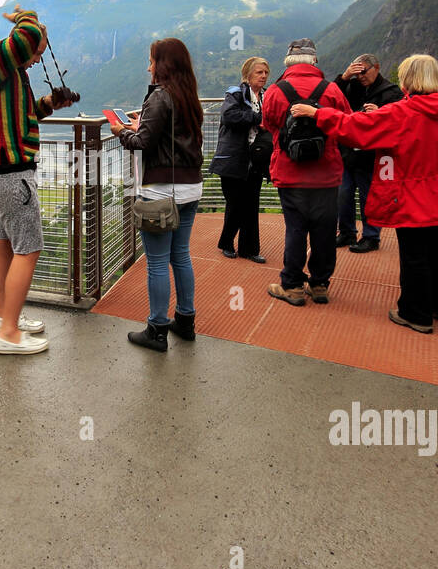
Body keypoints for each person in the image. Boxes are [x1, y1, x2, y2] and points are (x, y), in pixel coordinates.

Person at [295, 54, 438, 333]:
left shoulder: (402, 112)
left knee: (415, 254)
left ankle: (415, 313)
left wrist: (317, 113)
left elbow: (355, 128)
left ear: (409, 80)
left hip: (415, 195)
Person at [0, 6, 73, 355]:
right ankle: (9, 334)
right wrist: (26, 16)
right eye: (37, 51)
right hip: (11, 172)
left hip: (2, 171)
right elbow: (28, 34)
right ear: (24, 41)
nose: (38, 59)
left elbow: (23, 112)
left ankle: (5, 317)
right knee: (29, 248)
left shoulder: (11, 71)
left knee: (3, 244)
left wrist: (49, 103)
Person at [109, 38, 204, 351]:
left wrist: (122, 131)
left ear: (162, 64)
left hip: (161, 191)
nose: (148, 67)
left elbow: (142, 144)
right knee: (181, 255)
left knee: (158, 262)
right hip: (191, 187)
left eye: (151, 61)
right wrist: (143, 124)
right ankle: (186, 321)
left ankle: (157, 329)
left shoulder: (159, 96)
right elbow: (168, 135)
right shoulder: (188, 96)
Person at [260, 38, 352, 307]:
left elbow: (268, 124)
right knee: (325, 231)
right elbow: (346, 123)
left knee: (296, 229)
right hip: (326, 174)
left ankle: (292, 286)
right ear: (314, 60)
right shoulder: (331, 89)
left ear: (288, 62)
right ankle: (320, 284)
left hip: (290, 172)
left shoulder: (276, 91)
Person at [333, 54, 403, 253]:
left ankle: (371, 236)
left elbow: (400, 118)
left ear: (376, 68)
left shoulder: (391, 92)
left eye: (364, 72)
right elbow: (330, 97)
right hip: (348, 151)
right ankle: (347, 232)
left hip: (372, 154)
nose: (361, 76)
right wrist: (345, 77)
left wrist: (380, 113)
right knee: (343, 194)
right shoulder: (351, 87)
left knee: (369, 197)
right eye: (358, 73)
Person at [210, 56, 270, 263]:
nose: (263, 76)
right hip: (233, 159)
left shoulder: (267, 96)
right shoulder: (235, 93)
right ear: (248, 74)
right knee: (235, 204)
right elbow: (229, 116)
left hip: (256, 159)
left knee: (251, 205)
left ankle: (249, 249)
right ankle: (226, 243)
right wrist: (258, 118)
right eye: (259, 72)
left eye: (265, 72)